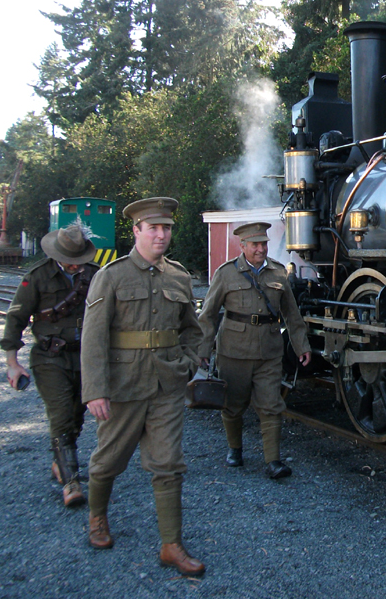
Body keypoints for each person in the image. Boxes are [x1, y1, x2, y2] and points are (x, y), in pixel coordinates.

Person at [80, 197, 206, 576]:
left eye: (166, 228)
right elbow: (93, 337)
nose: (161, 235)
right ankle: (97, 518)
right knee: (108, 460)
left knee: (168, 464)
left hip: (166, 385)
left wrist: (187, 363)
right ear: (135, 231)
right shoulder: (111, 276)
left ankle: (171, 544)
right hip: (123, 386)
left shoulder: (179, 276)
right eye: (153, 228)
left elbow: (193, 330)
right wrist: (94, 390)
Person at [198, 222, 312, 480]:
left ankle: (273, 461)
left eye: (264, 244)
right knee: (233, 404)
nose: (261, 249)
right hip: (233, 351)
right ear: (243, 246)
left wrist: (301, 346)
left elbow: (292, 315)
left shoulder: (278, 273)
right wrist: (203, 350)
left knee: (271, 405)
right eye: (255, 245)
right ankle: (235, 449)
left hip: (270, 353)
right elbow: (208, 315)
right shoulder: (225, 274)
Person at [0, 223, 99, 507]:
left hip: (85, 357)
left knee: (77, 414)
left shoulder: (94, 276)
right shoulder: (37, 277)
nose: (73, 265)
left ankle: (61, 461)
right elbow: (15, 319)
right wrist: (12, 363)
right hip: (49, 357)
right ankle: (71, 481)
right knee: (60, 414)